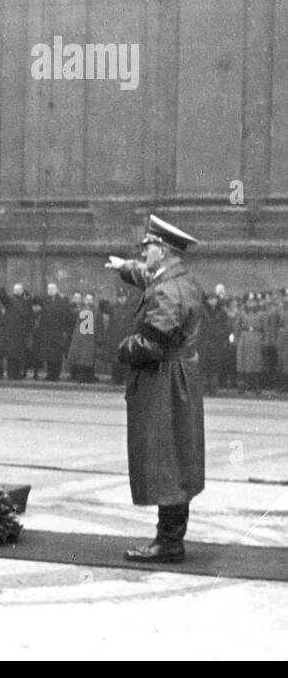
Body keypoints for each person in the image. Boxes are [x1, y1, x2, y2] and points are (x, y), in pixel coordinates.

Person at [105, 214, 204, 563]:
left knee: (166, 460)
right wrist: (124, 267)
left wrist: (121, 350)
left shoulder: (165, 290)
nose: (144, 251)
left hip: (163, 378)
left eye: (148, 246)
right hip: (180, 377)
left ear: (162, 251)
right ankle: (171, 537)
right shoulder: (181, 279)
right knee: (178, 456)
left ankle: (168, 542)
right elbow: (146, 275)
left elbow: (152, 342)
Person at [33, 282, 74, 380]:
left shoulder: (62, 301)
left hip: (58, 332)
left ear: (56, 289)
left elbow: (66, 316)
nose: (50, 290)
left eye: (52, 289)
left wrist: (65, 329)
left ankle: (56, 374)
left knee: (57, 355)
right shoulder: (44, 300)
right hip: (47, 332)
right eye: (49, 289)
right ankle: (50, 374)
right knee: (48, 355)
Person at [0, 283, 34, 379]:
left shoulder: (26, 301)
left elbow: (29, 315)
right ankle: (11, 373)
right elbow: (2, 297)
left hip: (21, 332)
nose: (17, 291)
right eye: (15, 289)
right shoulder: (10, 300)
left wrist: (29, 329)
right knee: (11, 355)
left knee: (20, 355)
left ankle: (18, 373)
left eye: (19, 289)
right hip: (11, 332)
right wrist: (2, 290)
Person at [103, 287, 135, 384]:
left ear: (126, 297)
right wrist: (108, 337)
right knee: (115, 360)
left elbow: (133, 324)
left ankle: (125, 378)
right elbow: (110, 324)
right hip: (115, 338)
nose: (121, 299)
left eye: (123, 297)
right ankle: (115, 377)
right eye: (120, 297)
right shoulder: (112, 308)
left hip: (126, 337)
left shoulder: (131, 310)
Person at [67, 293, 98, 382]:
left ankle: (81, 377)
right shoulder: (93, 310)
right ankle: (85, 377)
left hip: (84, 337)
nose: (88, 301)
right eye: (87, 299)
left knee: (82, 358)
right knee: (86, 359)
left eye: (90, 299)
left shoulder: (81, 309)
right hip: (87, 337)